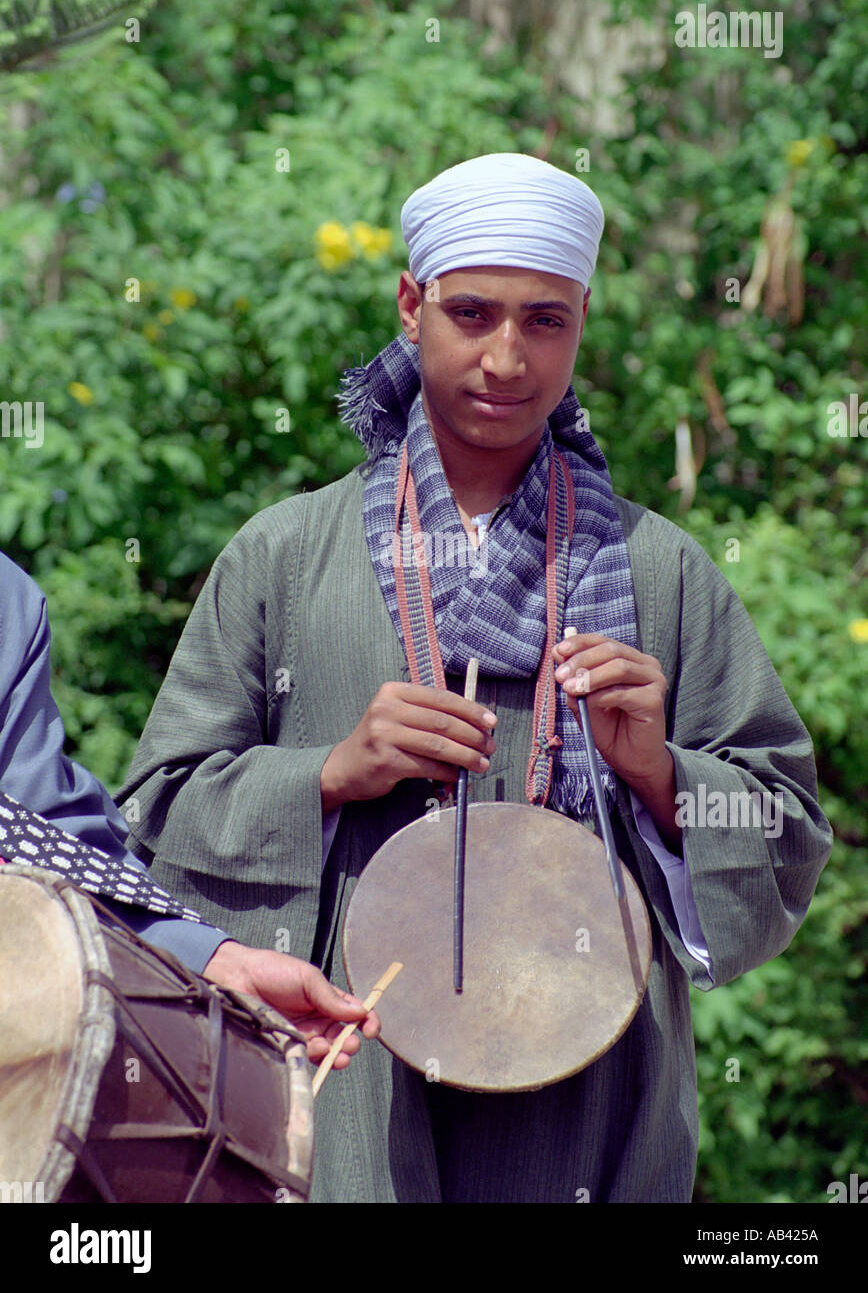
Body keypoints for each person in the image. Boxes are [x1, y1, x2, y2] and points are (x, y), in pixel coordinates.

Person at [118, 153, 832, 1202]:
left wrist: (661, 775)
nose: (507, 356)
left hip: (591, 1075)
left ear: (583, 319)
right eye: (472, 312)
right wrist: (328, 772)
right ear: (412, 307)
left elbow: (785, 831)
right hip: (346, 1056)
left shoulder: (658, 569)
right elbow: (150, 816)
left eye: (545, 320)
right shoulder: (285, 554)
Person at [0, 549, 378, 1072]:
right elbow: (160, 799)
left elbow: (43, 840)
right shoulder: (277, 551)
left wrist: (214, 962)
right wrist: (325, 775)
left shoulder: (6, 598)